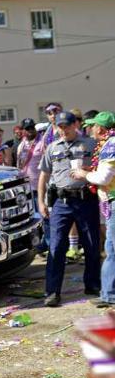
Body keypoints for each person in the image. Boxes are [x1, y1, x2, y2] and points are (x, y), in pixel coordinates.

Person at [38, 111, 99, 307]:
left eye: (66, 126)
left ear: (75, 125)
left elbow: (101, 168)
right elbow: (44, 176)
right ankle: (52, 292)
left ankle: (93, 284)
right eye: (60, 127)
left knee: (91, 244)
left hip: (85, 199)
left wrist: (88, 172)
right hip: (61, 203)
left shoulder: (90, 144)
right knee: (56, 247)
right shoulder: (52, 147)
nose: (63, 130)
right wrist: (41, 202)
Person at [70, 111, 115, 308]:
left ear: (101, 129)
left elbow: (104, 178)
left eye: (92, 125)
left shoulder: (110, 146)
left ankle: (109, 294)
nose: (89, 129)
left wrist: (84, 174)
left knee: (111, 249)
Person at [17, 118, 49, 253]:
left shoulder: (42, 142)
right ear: (23, 130)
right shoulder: (22, 144)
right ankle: (40, 243)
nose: (30, 130)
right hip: (26, 187)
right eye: (27, 128)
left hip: (40, 186)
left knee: (44, 216)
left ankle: (48, 243)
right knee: (33, 219)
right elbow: (19, 162)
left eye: (32, 128)